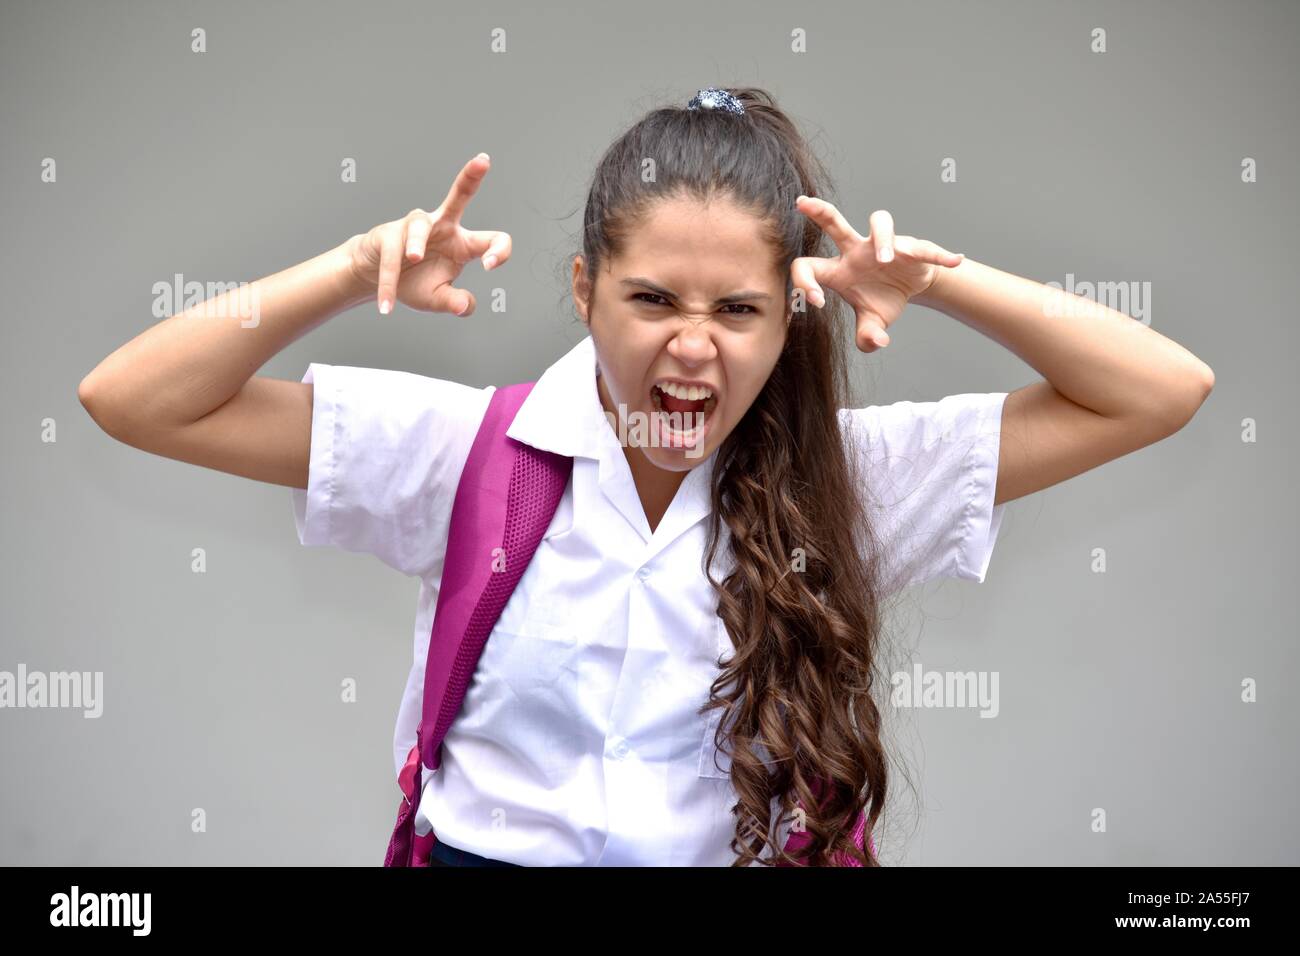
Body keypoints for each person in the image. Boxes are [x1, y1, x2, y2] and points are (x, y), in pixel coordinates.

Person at [77, 86, 1214, 867]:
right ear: (583, 290)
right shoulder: (462, 449)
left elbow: (1159, 387)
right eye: (653, 299)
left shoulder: (846, 485)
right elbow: (132, 397)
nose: (692, 346)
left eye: (738, 310)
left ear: (791, 316)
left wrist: (943, 280)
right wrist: (342, 270)